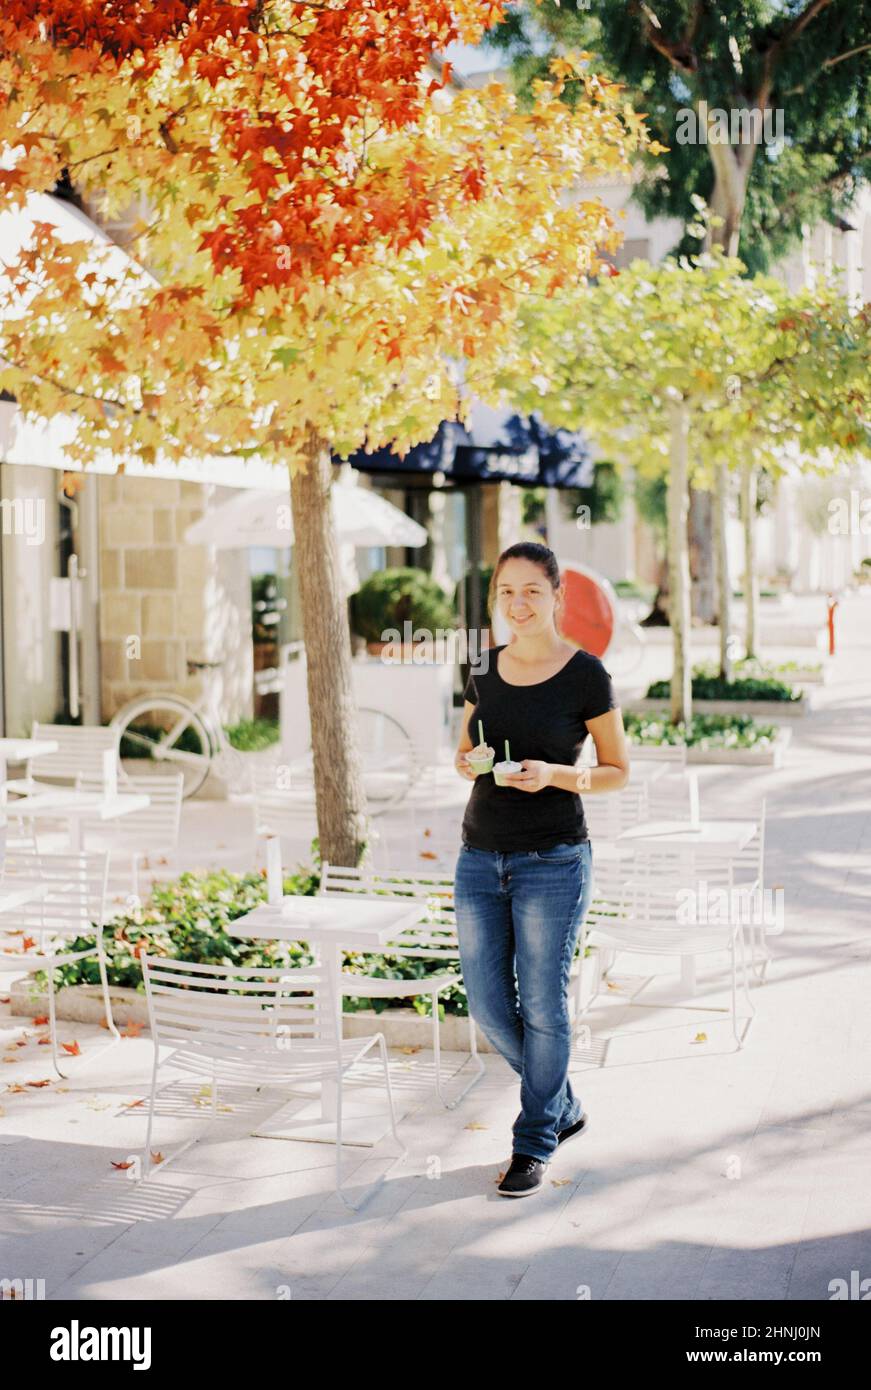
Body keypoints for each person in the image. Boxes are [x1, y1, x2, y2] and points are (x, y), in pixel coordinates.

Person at [454, 542, 630, 1197]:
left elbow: (615, 771)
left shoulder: (585, 675)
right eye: (506, 591)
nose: (517, 604)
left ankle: (534, 1141)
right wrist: (469, 763)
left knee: (545, 1009)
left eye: (532, 591)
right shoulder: (482, 667)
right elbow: (464, 750)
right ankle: (563, 1104)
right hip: (479, 855)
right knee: (489, 1006)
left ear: (557, 597)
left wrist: (554, 775)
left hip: (553, 861)